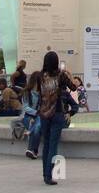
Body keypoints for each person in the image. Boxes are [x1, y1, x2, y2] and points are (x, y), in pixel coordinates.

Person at [34, 53, 79, 184]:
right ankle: (49, 175)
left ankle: (45, 174)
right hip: (57, 112)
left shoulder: (39, 76)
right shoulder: (61, 76)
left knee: (46, 144)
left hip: (43, 113)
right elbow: (74, 87)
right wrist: (68, 75)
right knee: (53, 145)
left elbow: (39, 92)